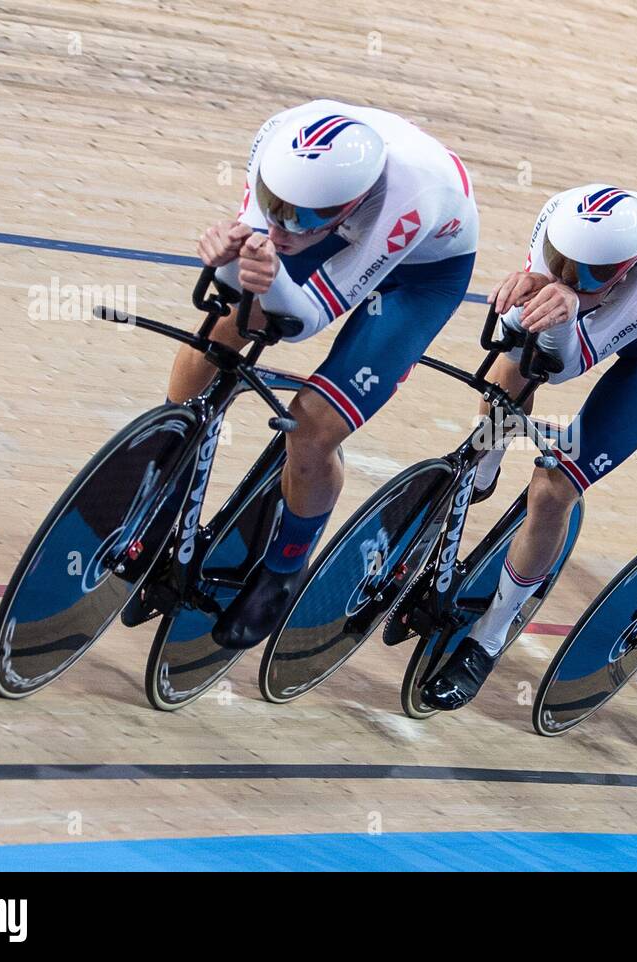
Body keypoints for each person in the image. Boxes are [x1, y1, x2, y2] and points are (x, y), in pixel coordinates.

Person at [147, 99, 478, 648]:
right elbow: (261, 246)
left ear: (348, 204)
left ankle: (285, 567)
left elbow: (302, 320)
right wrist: (229, 255)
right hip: (343, 227)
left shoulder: (413, 197)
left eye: (300, 216)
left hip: (419, 274)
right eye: (275, 204)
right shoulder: (279, 140)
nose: (282, 225)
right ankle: (164, 481)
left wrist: (261, 267)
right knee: (222, 333)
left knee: (313, 426)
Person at [420, 184, 637, 710]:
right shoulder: (560, 214)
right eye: (560, 263)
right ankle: (486, 467)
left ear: (624, 269)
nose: (567, 276)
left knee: (553, 488)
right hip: (617, 300)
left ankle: (487, 639)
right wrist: (525, 298)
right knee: (507, 375)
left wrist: (561, 308)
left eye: (584, 274)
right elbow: (522, 336)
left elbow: (563, 368)